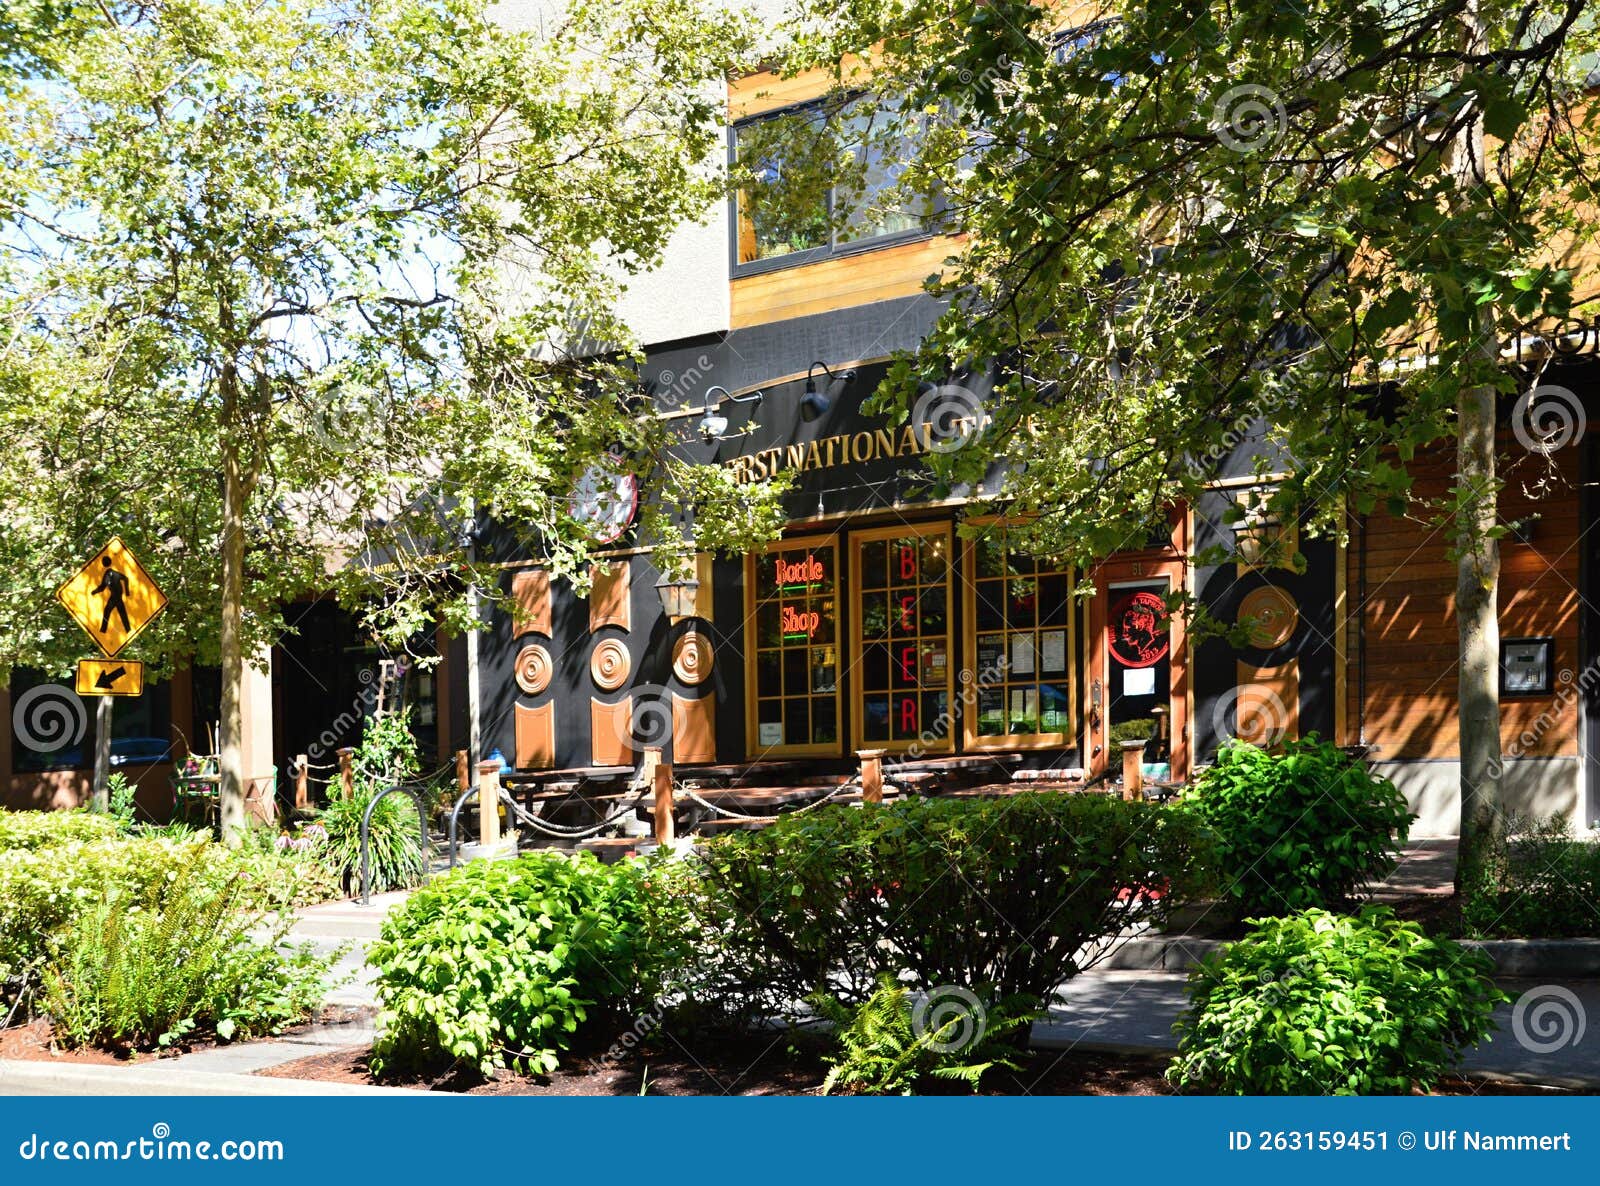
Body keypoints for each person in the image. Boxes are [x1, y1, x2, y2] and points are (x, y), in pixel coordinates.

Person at [93, 556, 131, 634]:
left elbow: (102, 587)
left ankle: (103, 630)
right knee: (121, 613)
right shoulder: (114, 573)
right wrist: (126, 592)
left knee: (107, 611)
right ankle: (128, 629)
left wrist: (94, 592)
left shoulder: (108, 574)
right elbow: (126, 579)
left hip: (114, 597)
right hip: (117, 596)